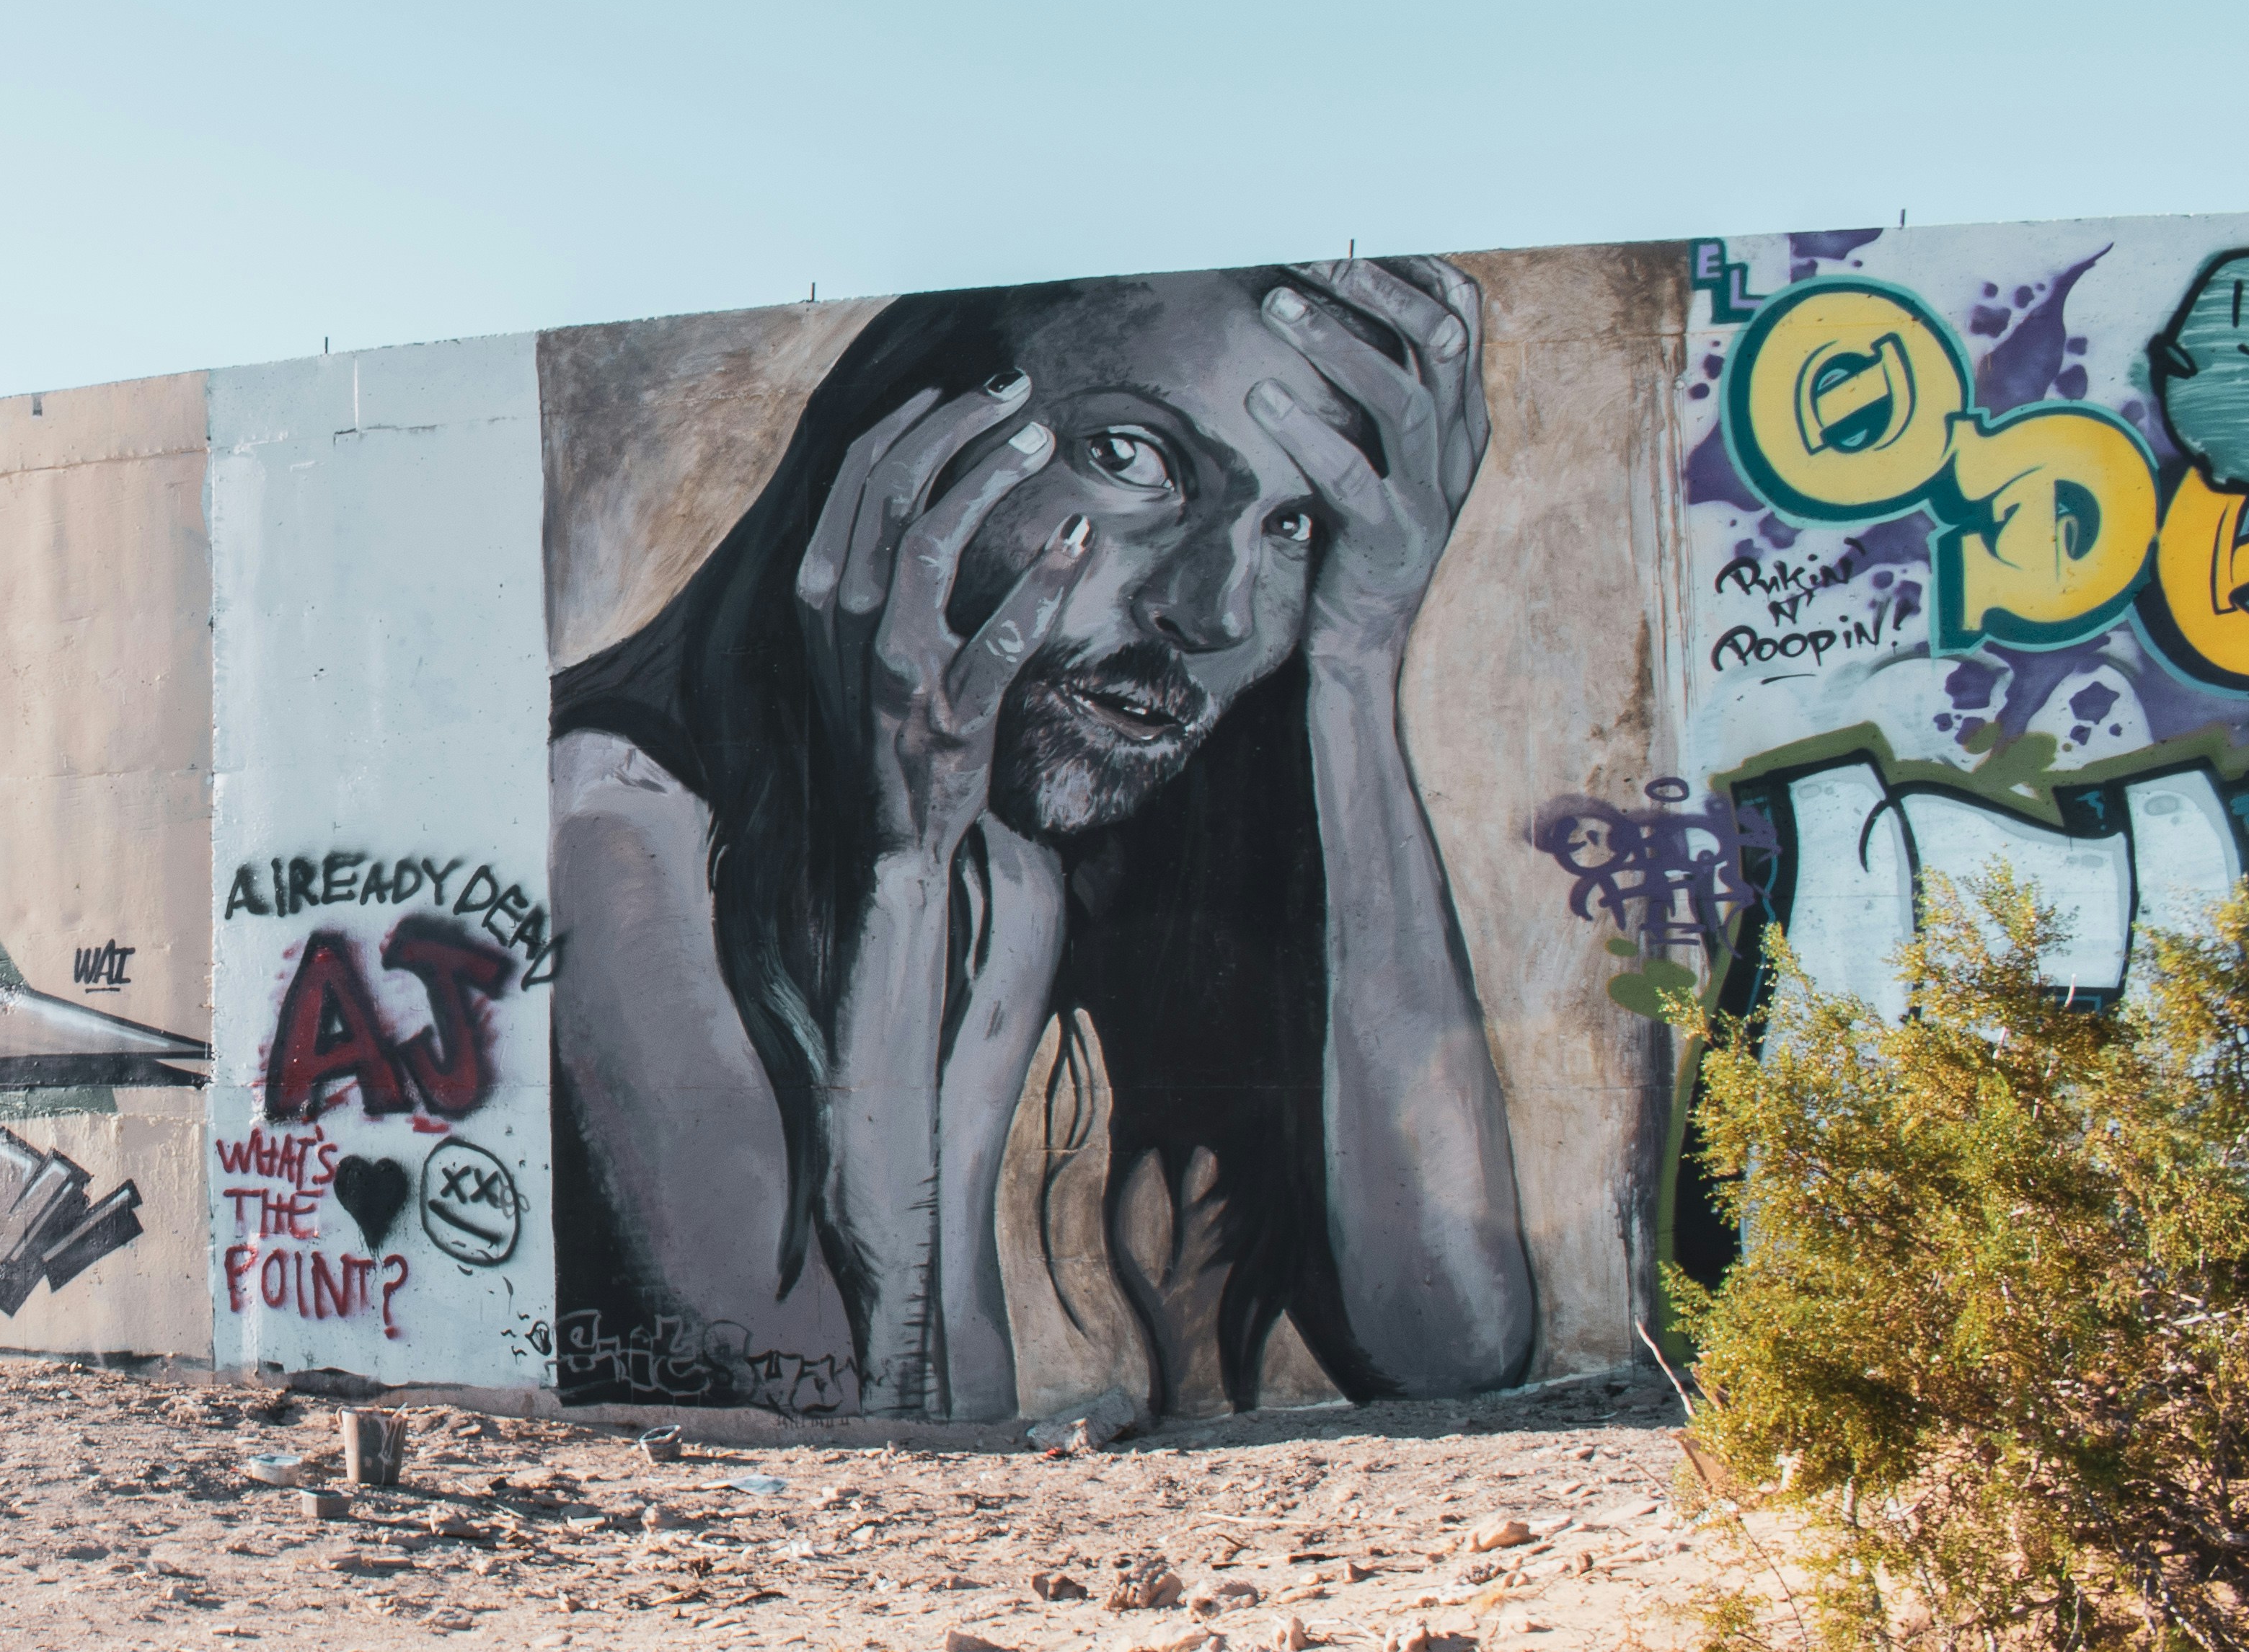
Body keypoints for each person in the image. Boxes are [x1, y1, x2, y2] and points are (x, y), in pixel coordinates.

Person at [548, 260, 1530, 1421]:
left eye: (1293, 523)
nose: (1214, 611)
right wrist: (901, 883)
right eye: (1133, 458)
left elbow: (1454, 1340)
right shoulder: (612, 822)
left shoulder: (1009, 874)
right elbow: (845, 1421)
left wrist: (1358, 663)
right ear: (907, 452)